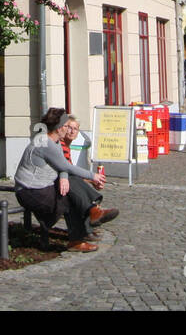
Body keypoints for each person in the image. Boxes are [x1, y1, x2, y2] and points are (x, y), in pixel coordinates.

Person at [14, 107, 107, 252]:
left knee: (70, 185)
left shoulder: (55, 142)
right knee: (70, 196)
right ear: (58, 128)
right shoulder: (46, 143)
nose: (68, 129)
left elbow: (62, 166)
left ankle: (92, 213)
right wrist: (93, 176)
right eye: (66, 126)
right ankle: (88, 218)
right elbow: (66, 166)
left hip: (42, 187)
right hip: (31, 191)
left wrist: (63, 177)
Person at [58, 115, 118, 239]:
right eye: (69, 127)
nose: (72, 131)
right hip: (54, 185)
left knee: (78, 189)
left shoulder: (66, 146)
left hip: (64, 183)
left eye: (75, 129)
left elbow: (70, 173)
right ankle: (90, 221)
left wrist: (91, 181)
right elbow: (67, 172)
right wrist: (91, 179)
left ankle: (90, 223)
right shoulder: (61, 145)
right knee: (76, 194)